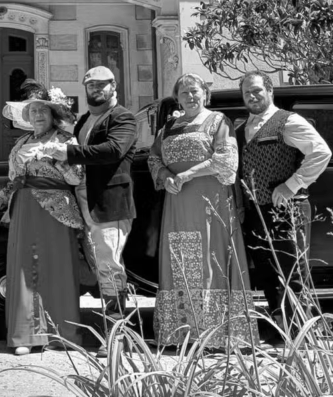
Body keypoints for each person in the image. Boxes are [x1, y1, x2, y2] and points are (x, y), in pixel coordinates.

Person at [148, 73, 259, 348]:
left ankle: (214, 335)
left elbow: (225, 161)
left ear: (205, 94)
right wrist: (165, 176)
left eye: (195, 91)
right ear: (177, 97)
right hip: (177, 204)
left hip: (211, 201)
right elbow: (153, 157)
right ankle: (182, 332)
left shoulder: (219, 122)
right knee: (180, 262)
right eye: (184, 92)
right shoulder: (169, 126)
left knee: (211, 259)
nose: (190, 96)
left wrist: (187, 175)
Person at [0, 98, 89, 356]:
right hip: (24, 210)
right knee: (25, 270)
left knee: (57, 269)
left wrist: (58, 158)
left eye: (42, 110)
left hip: (57, 211)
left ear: (53, 114)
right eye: (33, 111)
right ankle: (26, 334)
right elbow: (15, 182)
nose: (37, 115)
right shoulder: (21, 143)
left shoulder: (66, 140)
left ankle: (63, 335)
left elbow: (76, 177)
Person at [40, 66, 137, 357]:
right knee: (97, 266)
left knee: (109, 265)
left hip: (109, 203)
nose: (96, 89)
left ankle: (117, 336)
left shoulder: (123, 117)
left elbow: (112, 150)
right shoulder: (84, 119)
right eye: (90, 85)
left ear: (113, 85)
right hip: (82, 201)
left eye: (101, 85)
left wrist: (67, 153)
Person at [236, 71, 332, 346]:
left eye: (257, 90)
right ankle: (279, 329)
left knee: (292, 273)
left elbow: (321, 152)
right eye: (247, 93)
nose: (252, 96)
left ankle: (301, 333)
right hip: (256, 210)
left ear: (270, 91)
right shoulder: (242, 128)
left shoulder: (288, 121)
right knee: (268, 273)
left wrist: (292, 185)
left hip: (286, 210)